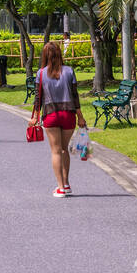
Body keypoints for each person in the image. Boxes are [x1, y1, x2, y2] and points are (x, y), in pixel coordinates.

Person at [29, 41, 84, 198]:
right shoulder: (69, 71)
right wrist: (80, 116)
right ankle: (66, 184)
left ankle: (60, 187)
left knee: (55, 151)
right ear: (59, 53)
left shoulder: (41, 73)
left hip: (51, 115)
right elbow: (75, 96)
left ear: (44, 55)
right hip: (68, 114)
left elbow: (38, 98)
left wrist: (34, 117)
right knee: (64, 149)